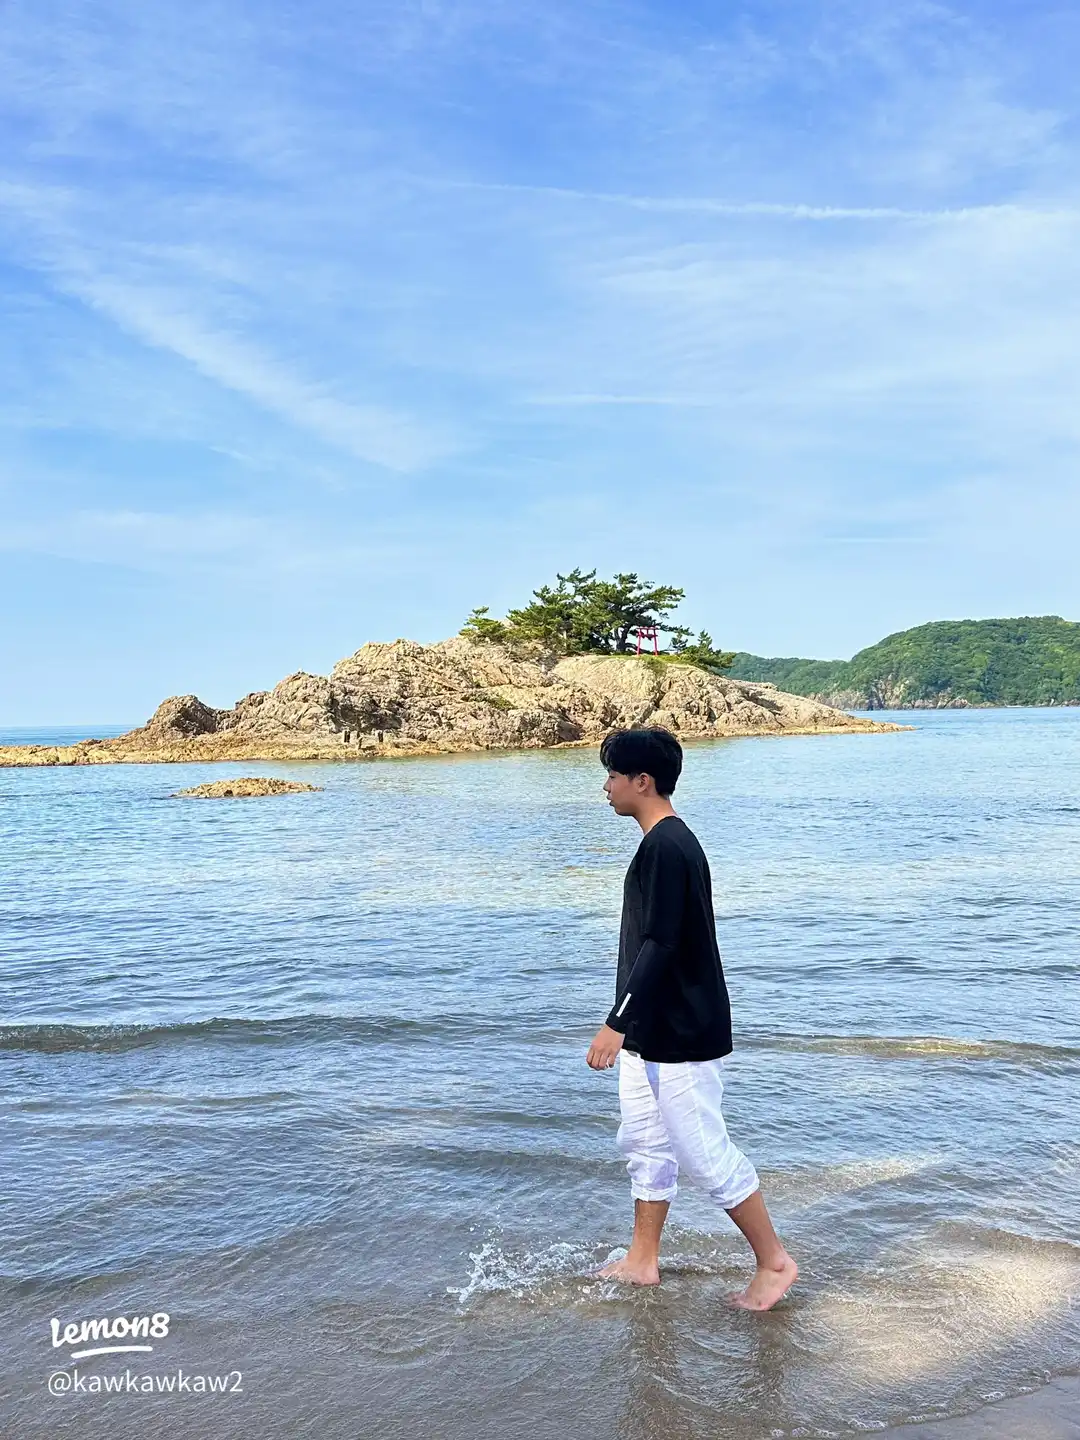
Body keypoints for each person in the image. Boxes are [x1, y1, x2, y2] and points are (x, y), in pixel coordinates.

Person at [586, 726, 798, 1310]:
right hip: (650, 1033)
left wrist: (616, 1021)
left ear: (641, 781)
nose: (605, 787)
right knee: (646, 1143)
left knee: (703, 1151)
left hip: (677, 1033)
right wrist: (630, 1027)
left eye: (611, 775)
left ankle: (775, 1262)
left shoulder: (669, 846)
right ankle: (642, 1260)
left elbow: (661, 944)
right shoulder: (658, 844)